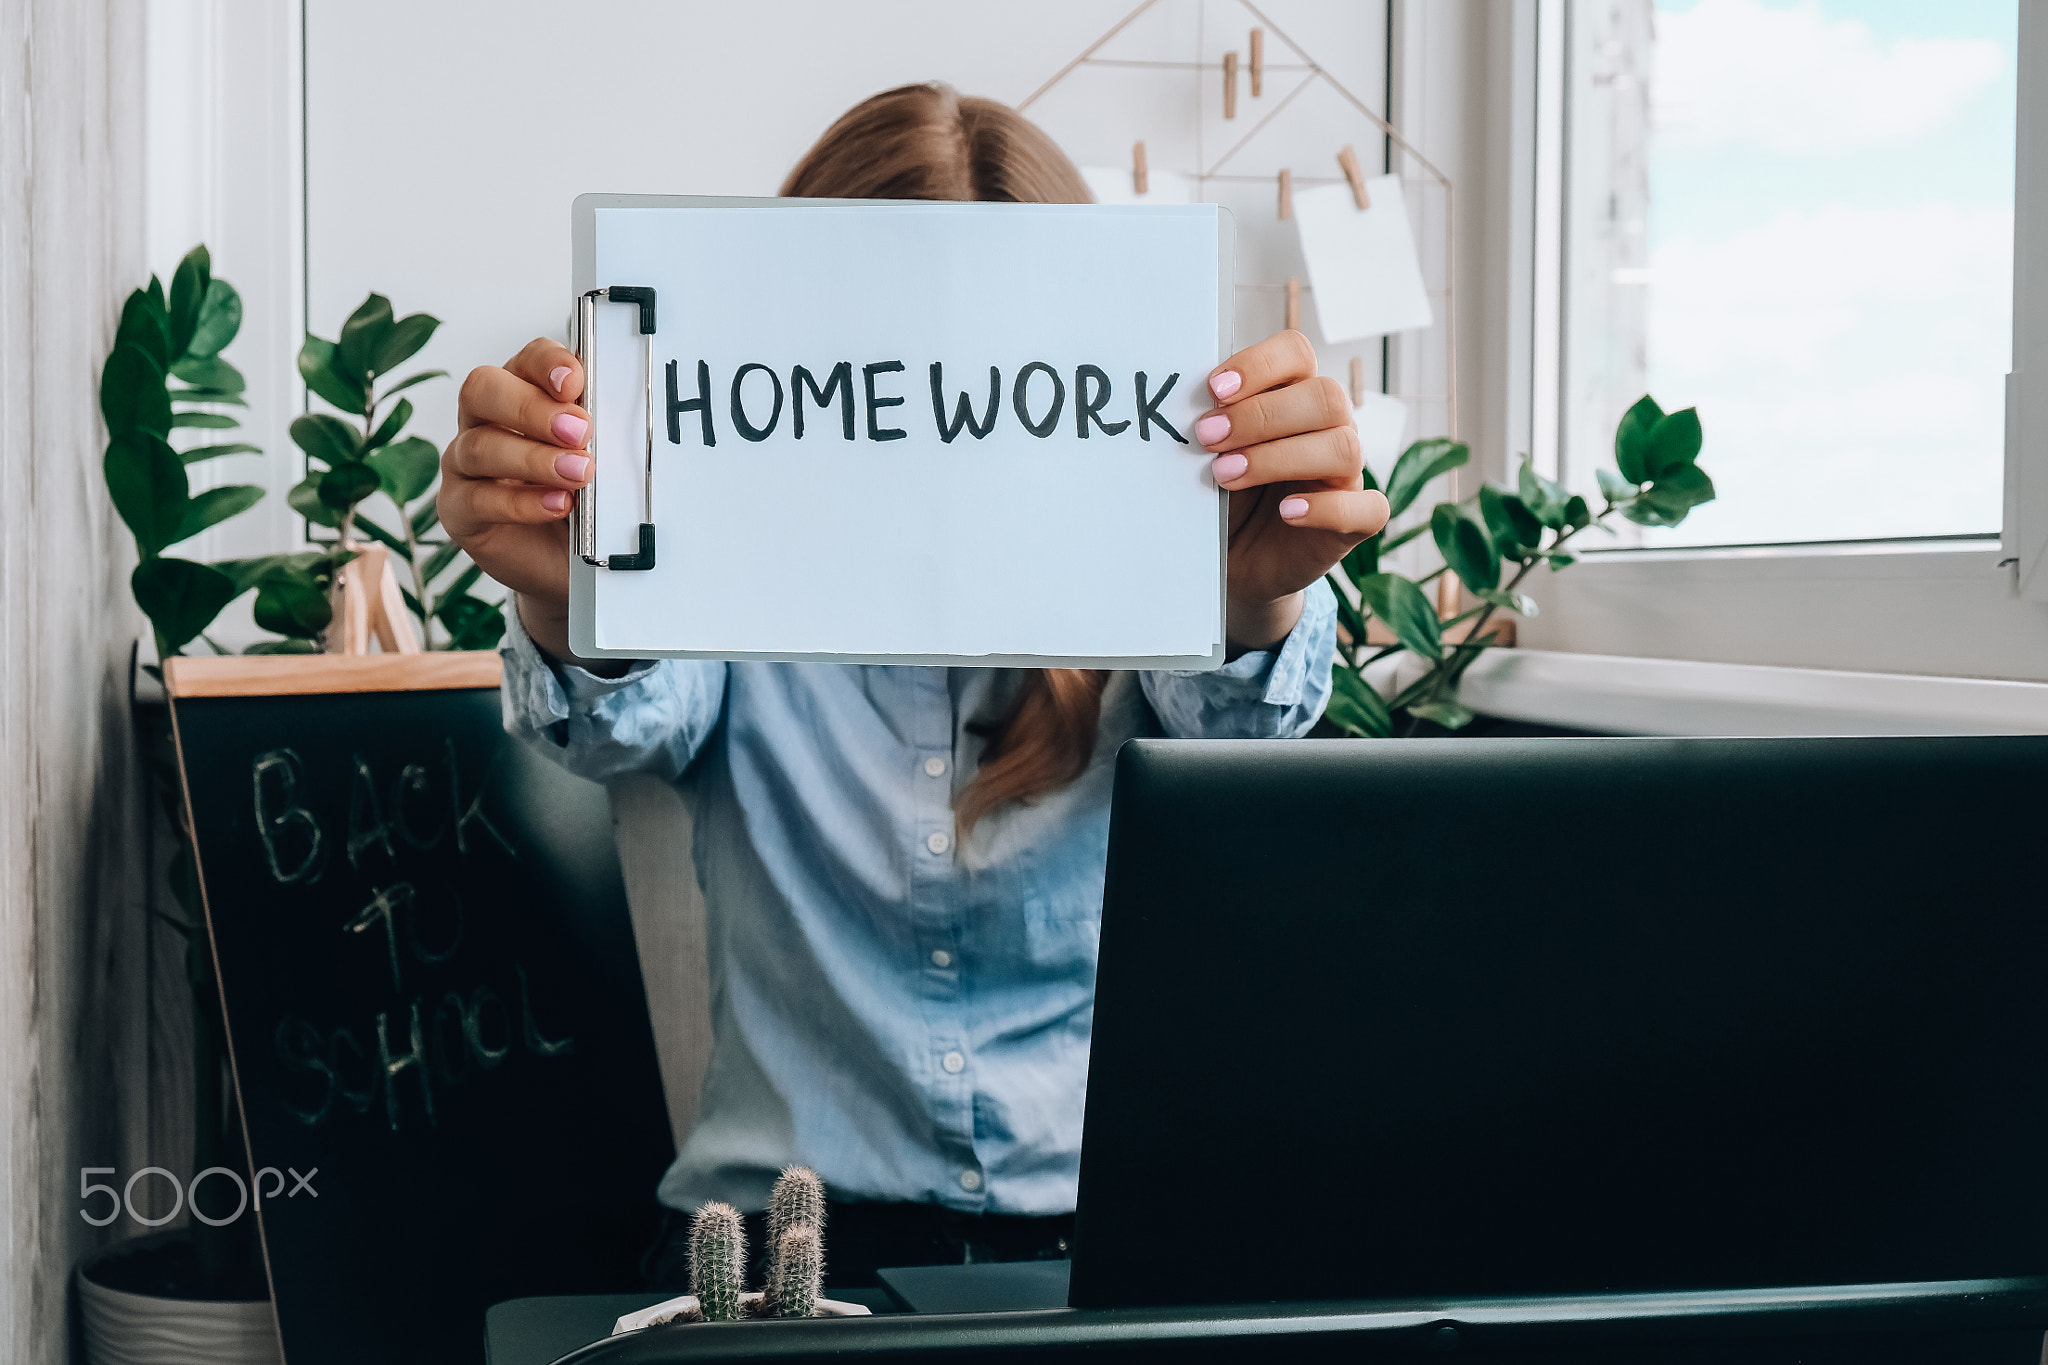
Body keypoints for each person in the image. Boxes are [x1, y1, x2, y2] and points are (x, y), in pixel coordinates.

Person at [439, 83, 1390, 1289]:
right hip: (776, 1247)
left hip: (1102, 1241)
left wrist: (1249, 600)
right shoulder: (727, 573)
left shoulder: (1145, 572)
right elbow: (621, 717)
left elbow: (1238, 730)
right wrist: (577, 600)